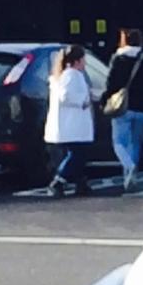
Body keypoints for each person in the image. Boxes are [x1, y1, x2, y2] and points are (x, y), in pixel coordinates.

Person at [103, 28, 143, 193]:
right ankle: (129, 178)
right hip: (142, 107)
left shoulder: (117, 59)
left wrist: (104, 99)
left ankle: (129, 166)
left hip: (122, 108)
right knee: (135, 143)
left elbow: (110, 83)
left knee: (118, 142)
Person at [43, 44, 93, 196]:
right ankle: (58, 181)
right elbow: (66, 96)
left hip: (69, 125)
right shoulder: (72, 75)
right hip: (73, 125)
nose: (85, 62)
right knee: (77, 154)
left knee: (77, 153)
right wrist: (83, 102)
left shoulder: (63, 75)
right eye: (84, 59)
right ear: (77, 60)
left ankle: (80, 183)